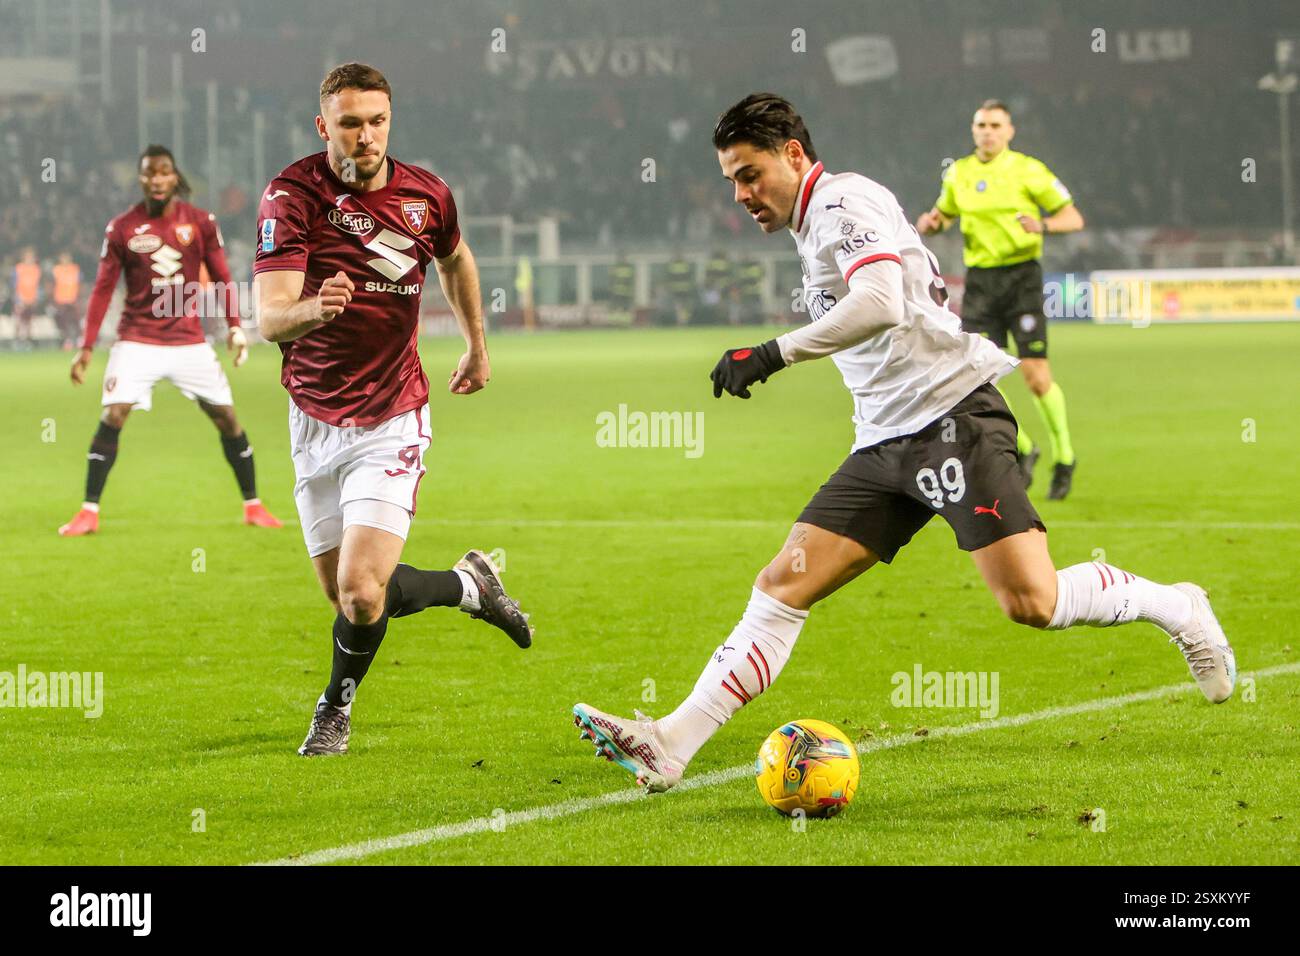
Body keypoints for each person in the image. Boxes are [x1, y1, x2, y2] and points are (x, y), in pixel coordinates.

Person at [573, 93, 1234, 793]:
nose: (740, 194)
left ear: (793, 155)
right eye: (731, 180)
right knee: (781, 586)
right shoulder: (812, 225)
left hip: (953, 420)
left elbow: (882, 301)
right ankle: (670, 743)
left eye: (749, 174)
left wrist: (773, 352)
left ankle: (1179, 606)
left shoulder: (842, 203)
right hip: (886, 441)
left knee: (1031, 602)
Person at [252, 62, 533, 757]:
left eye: (377, 121)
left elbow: (456, 260)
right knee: (348, 595)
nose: (366, 135)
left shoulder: (425, 195)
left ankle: (333, 710)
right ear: (325, 127)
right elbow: (268, 319)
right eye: (350, 123)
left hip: (392, 415)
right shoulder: (290, 197)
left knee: (359, 592)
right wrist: (315, 308)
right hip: (313, 418)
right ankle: (469, 586)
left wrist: (476, 344)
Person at [58, 145, 281, 537]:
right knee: (113, 414)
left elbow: (223, 276)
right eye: (149, 173)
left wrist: (235, 327)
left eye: (163, 172)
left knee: (227, 419)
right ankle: (88, 512)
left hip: (188, 343)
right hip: (137, 341)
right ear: (140, 179)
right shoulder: (122, 228)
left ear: (175, 176)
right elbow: (102, 289)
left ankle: (253, 505)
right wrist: (86, 346)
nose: (156, 180)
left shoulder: (199, 222)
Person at [916, 99, 1084, 499]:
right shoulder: (958, 173)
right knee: (979, 376)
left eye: (995, 125)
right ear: (973, 131)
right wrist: (931, 223)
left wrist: (1042, 224)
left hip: (1021, 279)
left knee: (1036, 377)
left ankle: (1065, 456)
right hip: (981, 283)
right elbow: (942, 215)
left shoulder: (1029, 170)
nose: (987, 131)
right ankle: (1025, 447)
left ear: (1009, 132)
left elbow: (1073, 218)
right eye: (980, 125)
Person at [50, 251, 82, 350]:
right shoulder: (56, 269)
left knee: (75, 321)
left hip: (73, 299)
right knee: (64, 322)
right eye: (63, 257)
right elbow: (52, 284)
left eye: (67, 257)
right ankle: (67, 341)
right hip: (61, 300)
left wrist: (78, 297)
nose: (65, 260)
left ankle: (78, 340)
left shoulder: (75, 269)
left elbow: (79, 283)